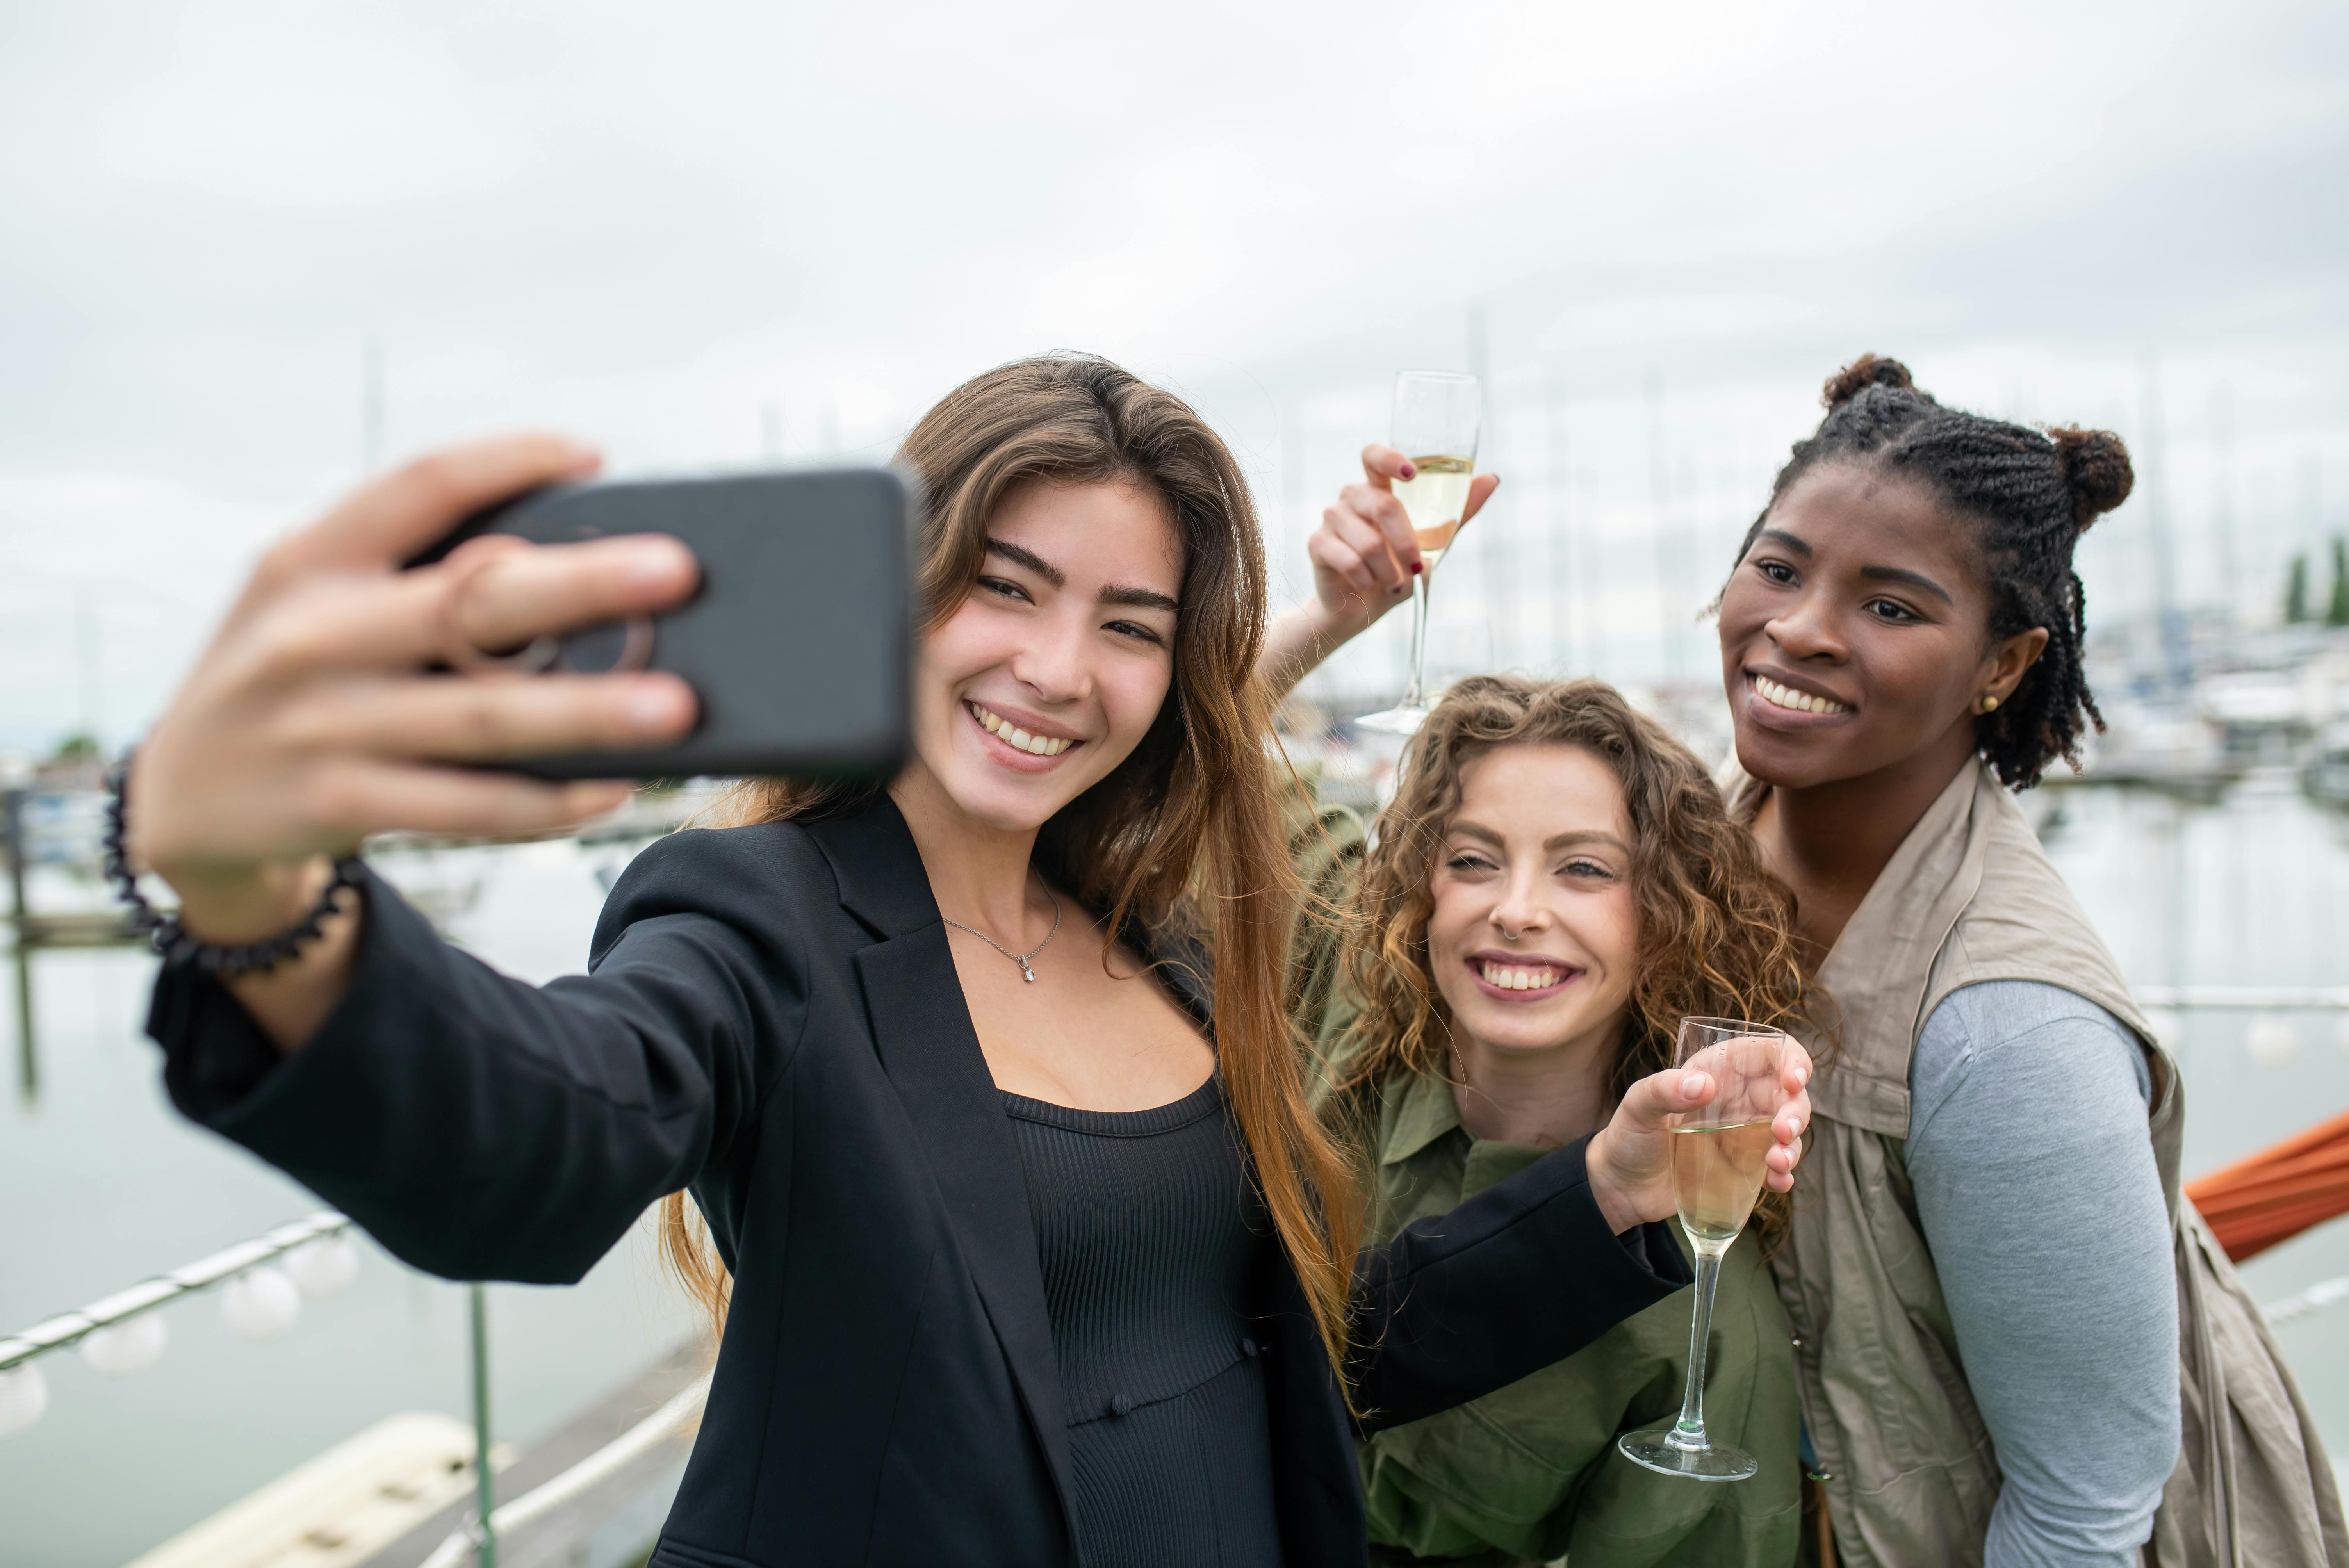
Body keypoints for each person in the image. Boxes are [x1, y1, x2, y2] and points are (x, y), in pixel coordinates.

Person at [125, 355, 1816, 1568]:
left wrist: (1605, 1188)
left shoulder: (1163, 941)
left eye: (1130, 624)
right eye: (1004, 588)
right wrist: (251, 882)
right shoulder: (756, 917)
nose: (1057, 666)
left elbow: (1305, 1343)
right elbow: (529, 1141)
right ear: (901, 593)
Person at [1710, 356, 2342, 1568]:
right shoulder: (1706, 844)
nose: (1799, 628)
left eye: (1890, 607)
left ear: (2003, 667)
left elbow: (2085, 1505)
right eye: (1779, 567)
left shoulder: (2009, 1033)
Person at [1306, 675, 1819, 1568]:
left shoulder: (1700, 1321)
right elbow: (1201, 756)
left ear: (1665, 916)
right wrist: (1333, 612)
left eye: (1582, 868)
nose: (1514, 910)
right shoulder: (1343, 1023)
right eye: (1471, 859)